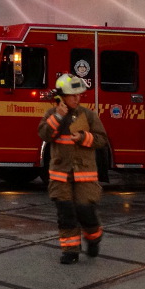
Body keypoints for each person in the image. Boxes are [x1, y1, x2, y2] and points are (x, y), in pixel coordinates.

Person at [38, 73, 109, 264]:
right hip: (60, 176)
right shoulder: (52, 115)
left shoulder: (88, 116)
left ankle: (94, 237)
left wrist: (85, 137)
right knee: (66, 214)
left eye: (79, 95)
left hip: (84, 176)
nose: (77, 98)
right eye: (72, 95)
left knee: (85, 211)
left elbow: (102, 140)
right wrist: (58, 116)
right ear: (61, 97)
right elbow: (45, 134)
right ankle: (70, 251)